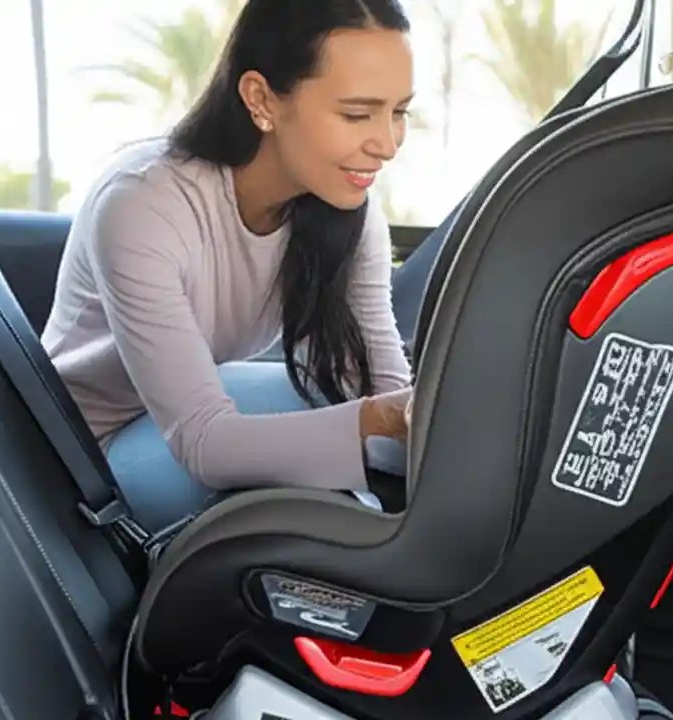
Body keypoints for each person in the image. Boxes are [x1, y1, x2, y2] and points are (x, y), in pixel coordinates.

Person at [41, 0, 417, 527]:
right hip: (92, 452)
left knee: (385, 446)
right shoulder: (142, 204)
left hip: (190, 412)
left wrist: (420, 419)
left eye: (399, 112)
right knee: (347, 471)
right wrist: (382, 418)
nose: (388, 144)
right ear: (261, 99)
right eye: (357, 114)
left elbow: (380, 380)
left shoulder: (346, 212)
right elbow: (204, 443)